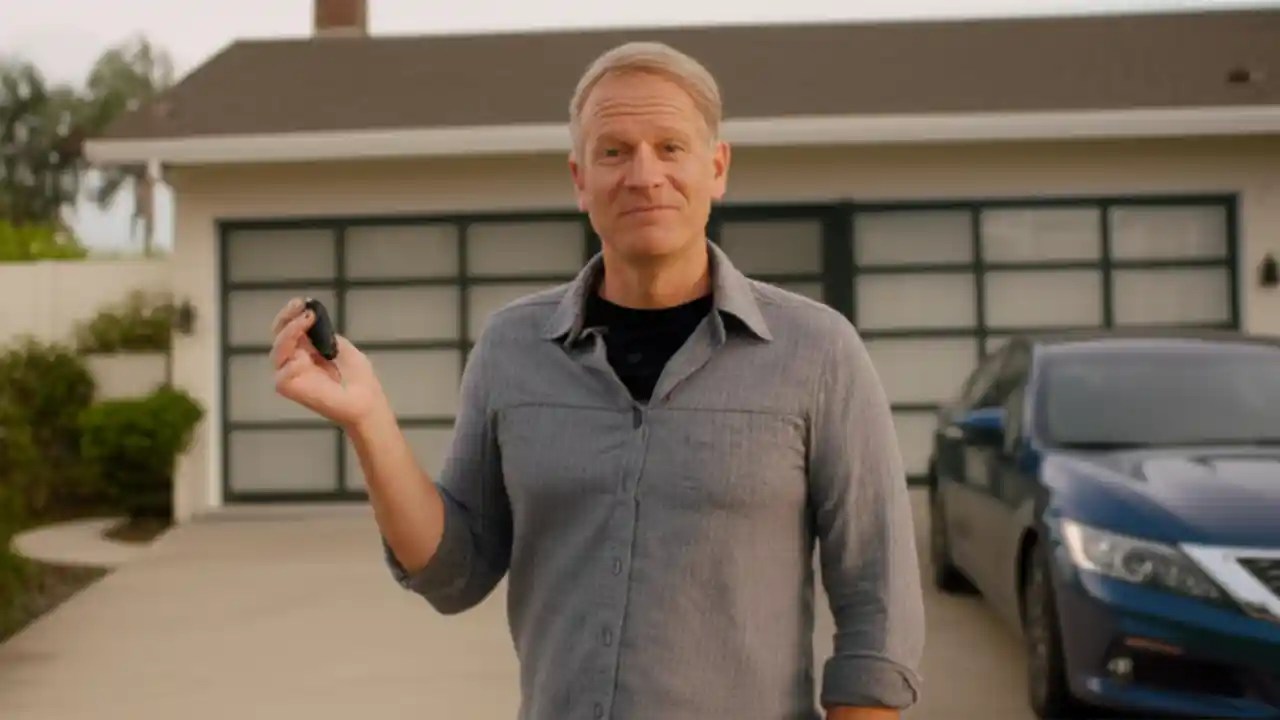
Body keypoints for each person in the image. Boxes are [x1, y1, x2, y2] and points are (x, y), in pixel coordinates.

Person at [271, 40, 924, 720]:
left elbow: (877, 609)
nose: (644, 175)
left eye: (670, 147)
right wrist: (368, 418)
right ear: (580, 179)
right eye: (614, 151)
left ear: (717, 167)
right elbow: (453, 573)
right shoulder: (511, 347)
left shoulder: (819, 353)